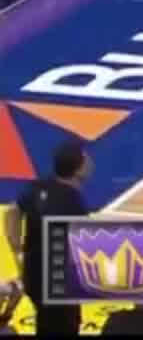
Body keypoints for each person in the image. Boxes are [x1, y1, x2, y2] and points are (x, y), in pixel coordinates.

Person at [5, 140, 91, 339]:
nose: (90, 162)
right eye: (86, 160)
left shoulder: (38, 187)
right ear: (77, 170)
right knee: (62, 326)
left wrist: (17, 250)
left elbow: (12, 212)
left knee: (46, 321)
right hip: (56, 285)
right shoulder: (74, 205)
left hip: (32, 276)